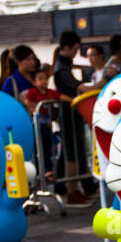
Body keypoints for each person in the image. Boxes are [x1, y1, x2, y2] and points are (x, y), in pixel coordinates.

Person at [51, 31, 98, 207]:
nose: (76, 53)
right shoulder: (61, 70)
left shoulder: (62, 67)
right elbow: (80, 88)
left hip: (70, 116)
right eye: (75, 49)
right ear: (66, 48)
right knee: (71, 154)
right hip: (69, 116)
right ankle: (72, 191)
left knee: (73, 152)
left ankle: (74, 189)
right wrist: (101, 85)